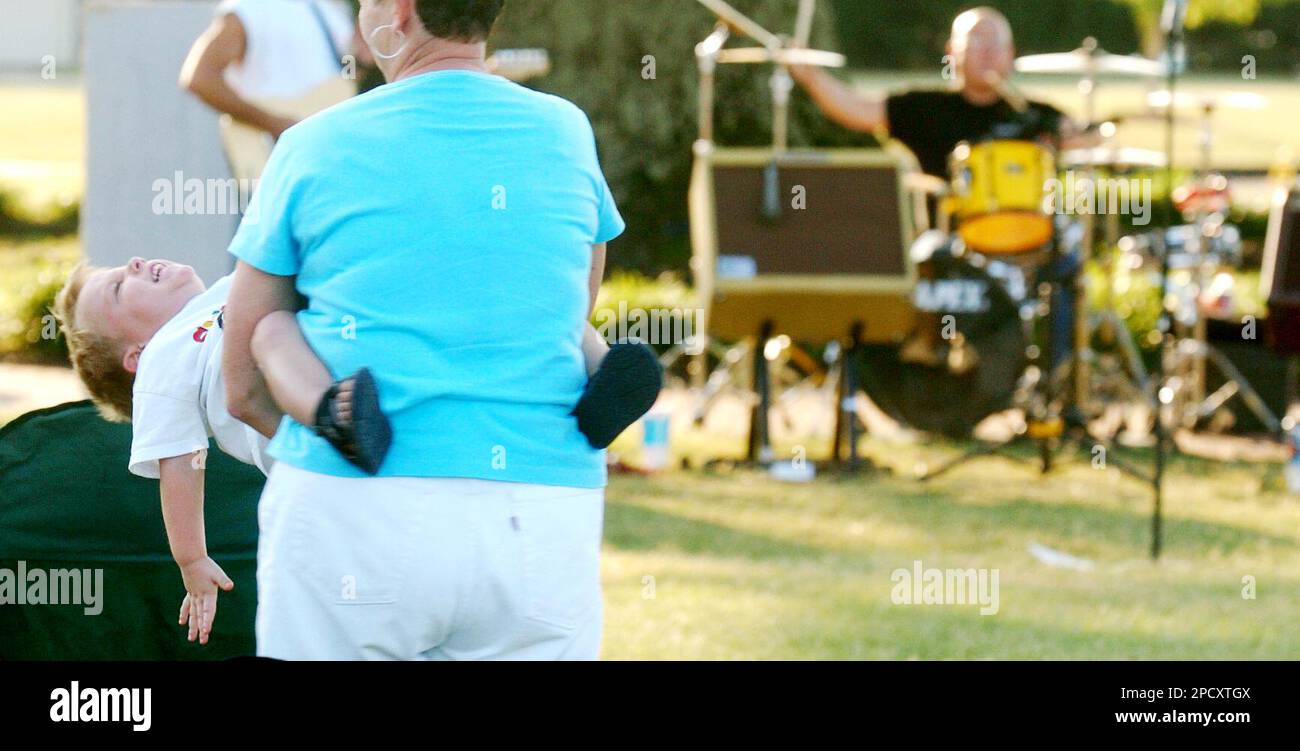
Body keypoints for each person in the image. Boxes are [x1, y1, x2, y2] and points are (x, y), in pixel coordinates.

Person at [221, 0, 643, 660]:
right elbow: (569, 310)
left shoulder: (315, 144)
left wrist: (327, 436)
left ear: (399, 9)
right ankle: (607, 370)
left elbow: (240, 386)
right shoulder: (565, 132)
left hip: (360, 504)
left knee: (275, 325)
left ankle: (336, 411)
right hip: (542, 508)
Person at [52, 252, 656, 647]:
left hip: (368, 360)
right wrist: (191, 560)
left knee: (469, 273)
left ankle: (603, 376)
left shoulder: (229, 286)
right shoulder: (167, 355)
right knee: (272, 330)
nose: (133, 263)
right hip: (325, 436)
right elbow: (179, 463)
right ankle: (336, 412)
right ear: (133, 355)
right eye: (116, 287)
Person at [792, 6, 1085, 371]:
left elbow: (1089, 143)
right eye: (976, 41)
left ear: (1011, 54)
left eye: (996, 43)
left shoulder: (1037, 116)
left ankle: (1060, 377)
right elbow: (856, 109)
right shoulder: (926, 109)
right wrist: (811, 78)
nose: (988, 52)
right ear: (952, 52)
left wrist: (1087, 136)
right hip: (949, 247)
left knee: (1069, 261)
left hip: (1031, 244)